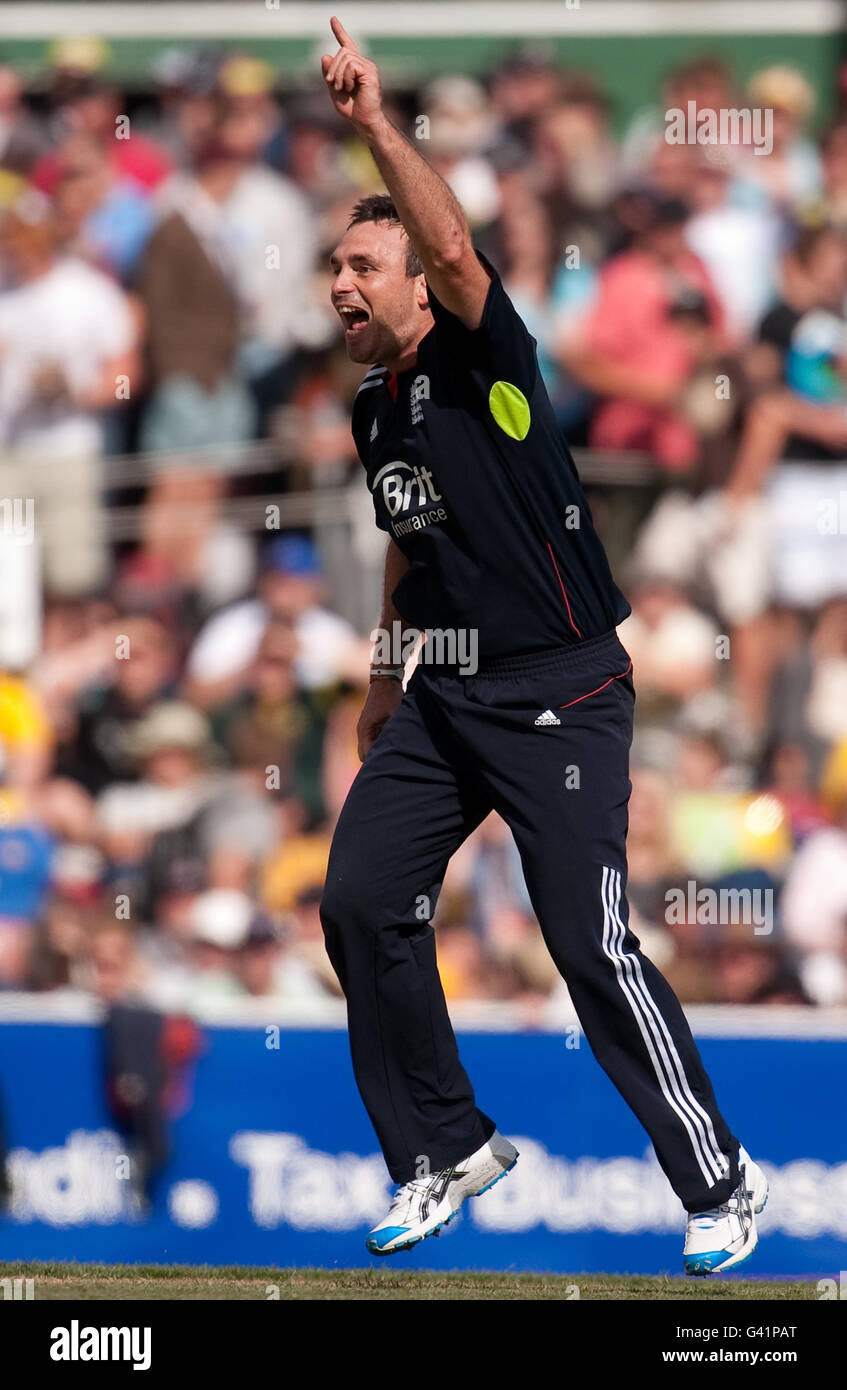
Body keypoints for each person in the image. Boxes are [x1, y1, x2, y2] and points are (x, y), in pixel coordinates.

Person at [317, 18, 767, 1273]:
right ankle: (440, 1147)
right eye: (332, 266)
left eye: (363, 264)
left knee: (586, 941)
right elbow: (409, 542)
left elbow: (454, 241)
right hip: (448, 698)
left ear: (417, 280)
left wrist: (372, 121)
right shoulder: (372, 409)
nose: (342, 285)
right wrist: (378, 682)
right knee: (359, 899)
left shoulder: (483, 352)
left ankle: (720, 1180)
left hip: (562, 691)